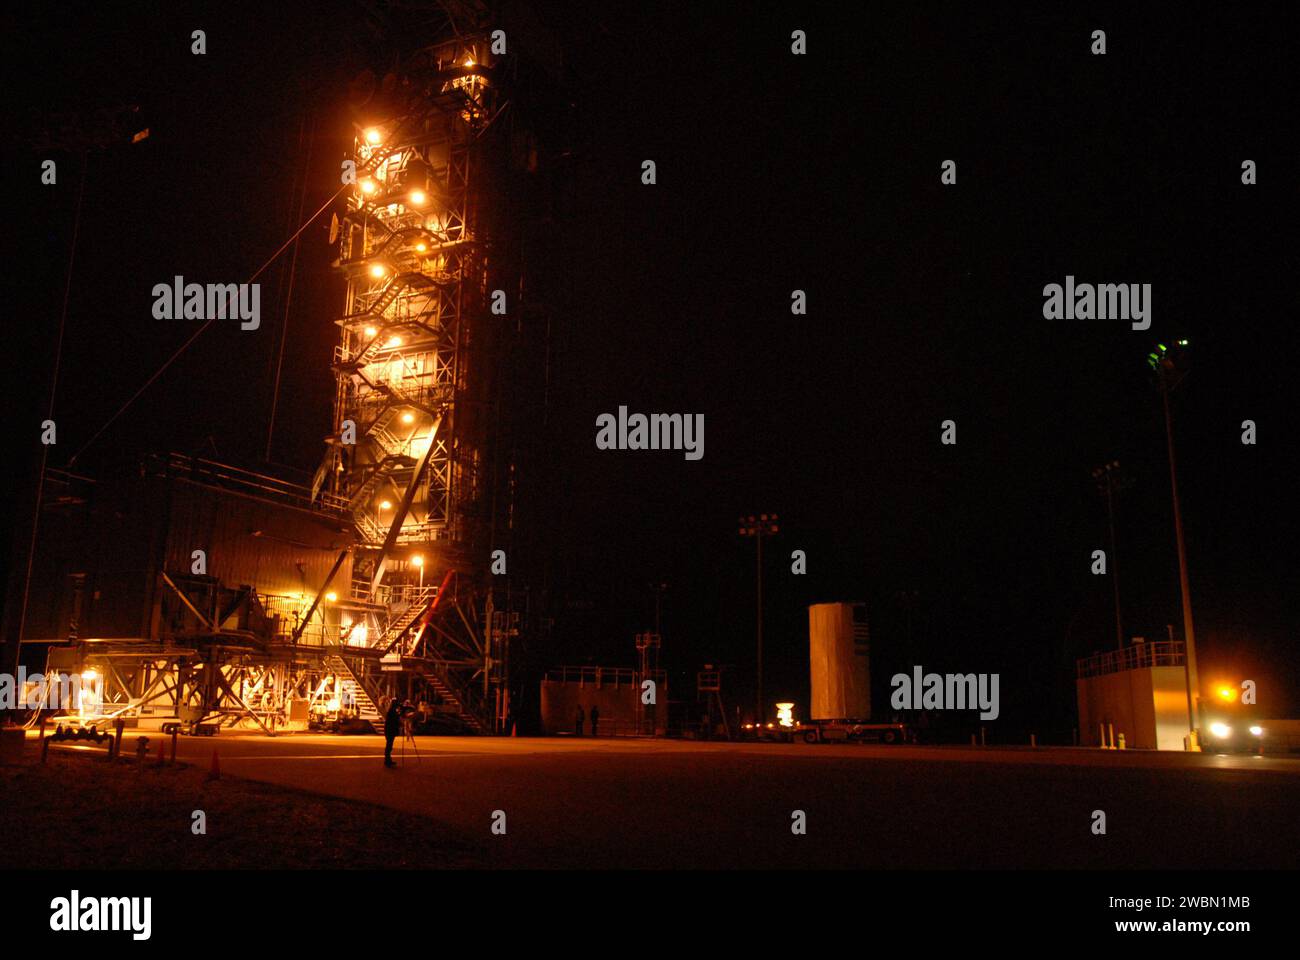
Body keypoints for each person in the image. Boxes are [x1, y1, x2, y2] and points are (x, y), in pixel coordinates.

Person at [384, 697, 402, 767]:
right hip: (390, 731)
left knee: (389, 745)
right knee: (389, 746)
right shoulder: (392, 712)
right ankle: (387, 760)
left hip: (389, 730)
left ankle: (388, 760)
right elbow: (395, 721)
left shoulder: (391, 711)